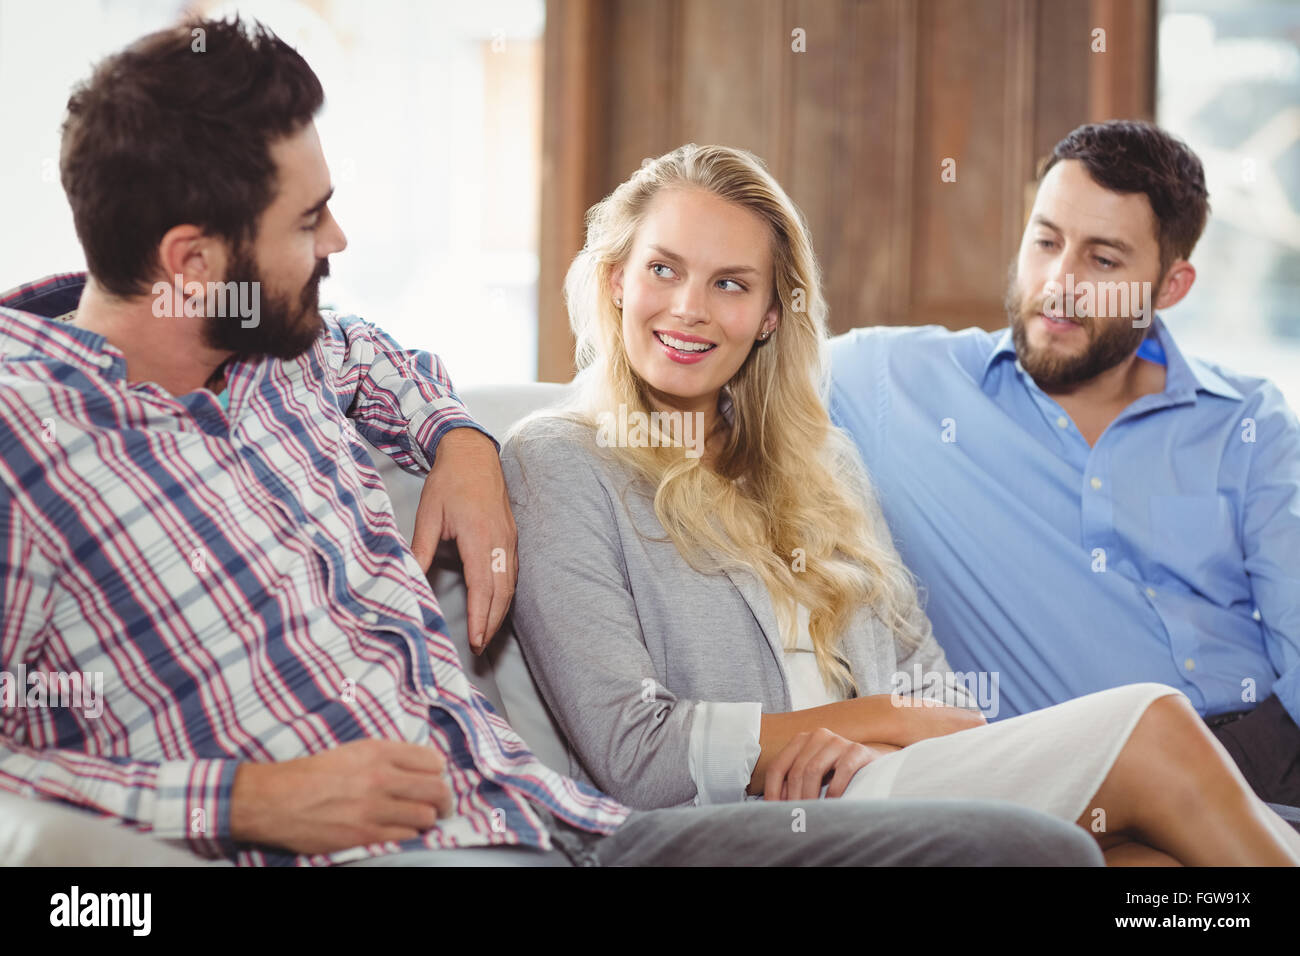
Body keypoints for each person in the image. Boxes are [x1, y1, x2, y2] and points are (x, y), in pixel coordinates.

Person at [0, 16, 1104, 868]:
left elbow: (392, 365)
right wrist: (245, 801)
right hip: (397, 854)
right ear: (193, 260)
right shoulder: (29, 445)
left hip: (569, 829)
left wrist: (465, 437)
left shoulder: (289, 349)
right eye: (306, 222)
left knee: (1030, 850)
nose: (339, 240)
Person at [502, 141, 1300, 866]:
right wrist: (873, 721)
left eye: (731, 285)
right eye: (663, 270)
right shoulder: (562, 460)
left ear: (772, 315)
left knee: (1153, 875)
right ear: (614, 279)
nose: (689, 310)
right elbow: (635, 753)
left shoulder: (823, 462)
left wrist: (883, 743)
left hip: (889, 784)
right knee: (1151, 723)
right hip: (739, 818)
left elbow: (942, 698)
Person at [827, 121, 1300, 822]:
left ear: (1171, 285)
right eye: (1046, 241)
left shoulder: (1245, 421)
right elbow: (720, 365)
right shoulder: (892, 385)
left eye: (1103, 261)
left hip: (1264, 755)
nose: (1058, 284)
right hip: (1077, 783)